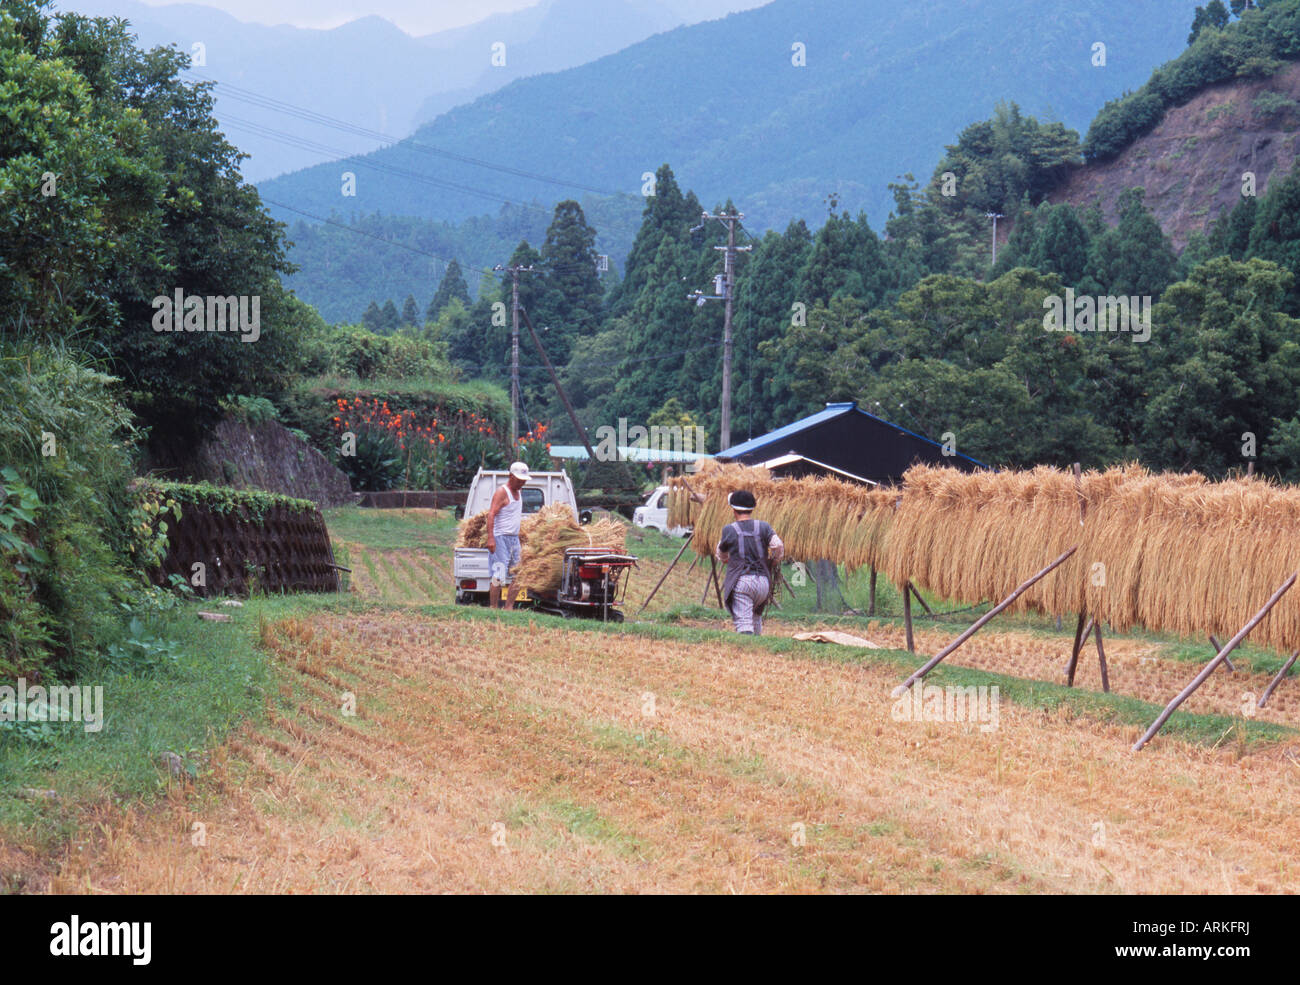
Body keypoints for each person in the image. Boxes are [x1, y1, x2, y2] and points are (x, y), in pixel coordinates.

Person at [714, 489, 784, 635]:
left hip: (742, 582)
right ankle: (757, 650)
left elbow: (720, 552)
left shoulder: (729, 529)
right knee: (756, 618)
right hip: (763, 584)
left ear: (734, 509)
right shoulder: (763, 526)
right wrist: (773, 561)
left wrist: (725, 559)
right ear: (752, 508)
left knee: (744, 624)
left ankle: (746, 650)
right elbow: (777, 545)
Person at [486, 461, 529, 610]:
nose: (521, 483)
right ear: (511, 476)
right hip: (500, 537)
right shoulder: (502, 492)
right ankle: (493, 607)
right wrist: (490, 538)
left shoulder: (519, 492)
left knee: (520, 573)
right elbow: (491, 514)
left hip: (514, 538)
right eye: (519, 480)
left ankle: (509, 607)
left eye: (523, 481)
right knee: (499, 574)